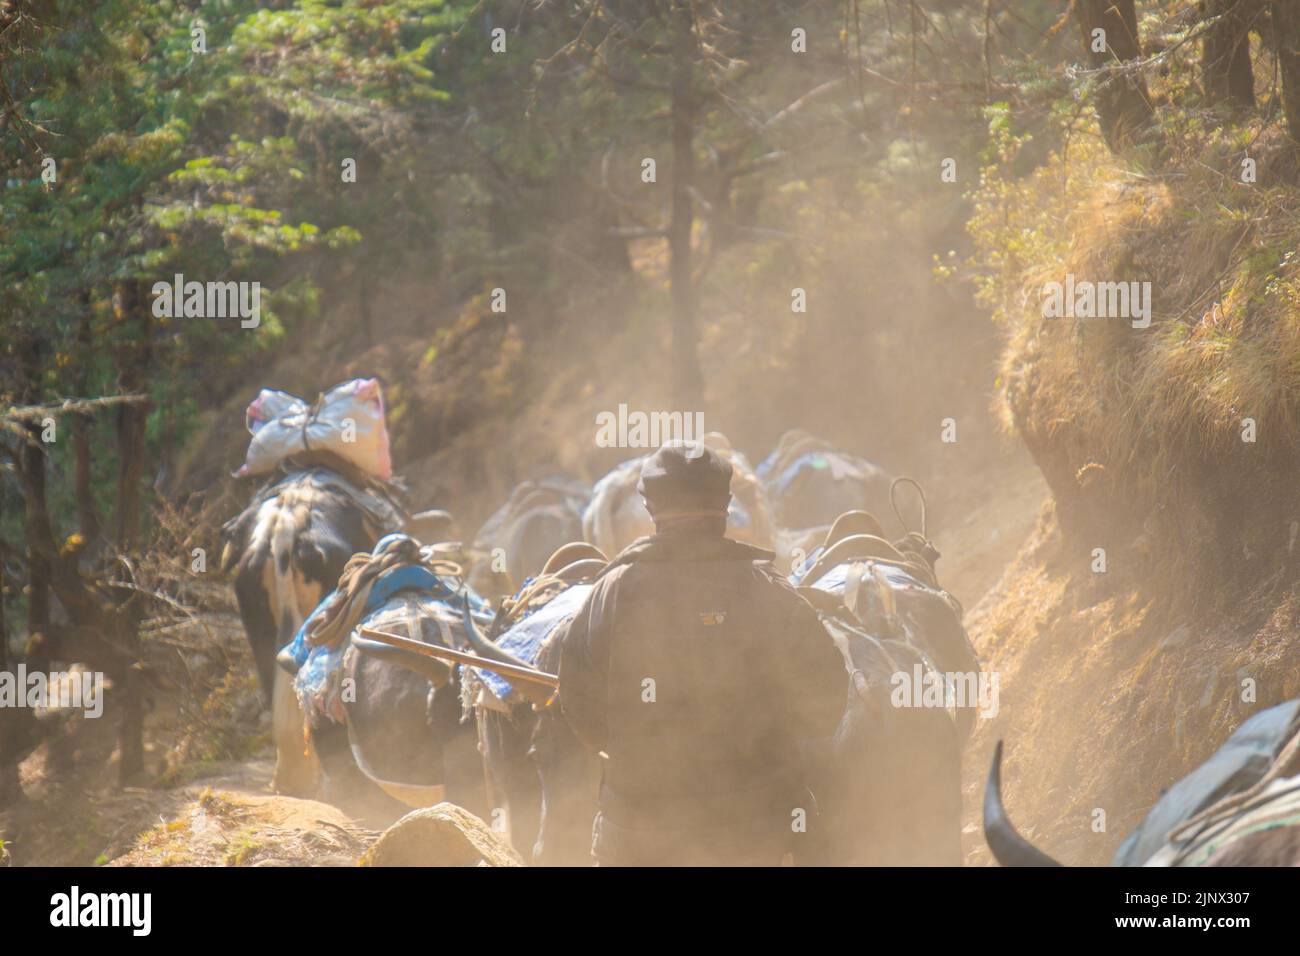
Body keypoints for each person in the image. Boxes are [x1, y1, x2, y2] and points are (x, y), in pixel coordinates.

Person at [557, 440, 848, 865]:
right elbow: (828, 701)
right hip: (760, 828)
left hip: (640, 831)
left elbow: (579, 703)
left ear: (650, 508)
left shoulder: (610, 592)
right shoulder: (769, 591)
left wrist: (636, 752)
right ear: (726, 505)